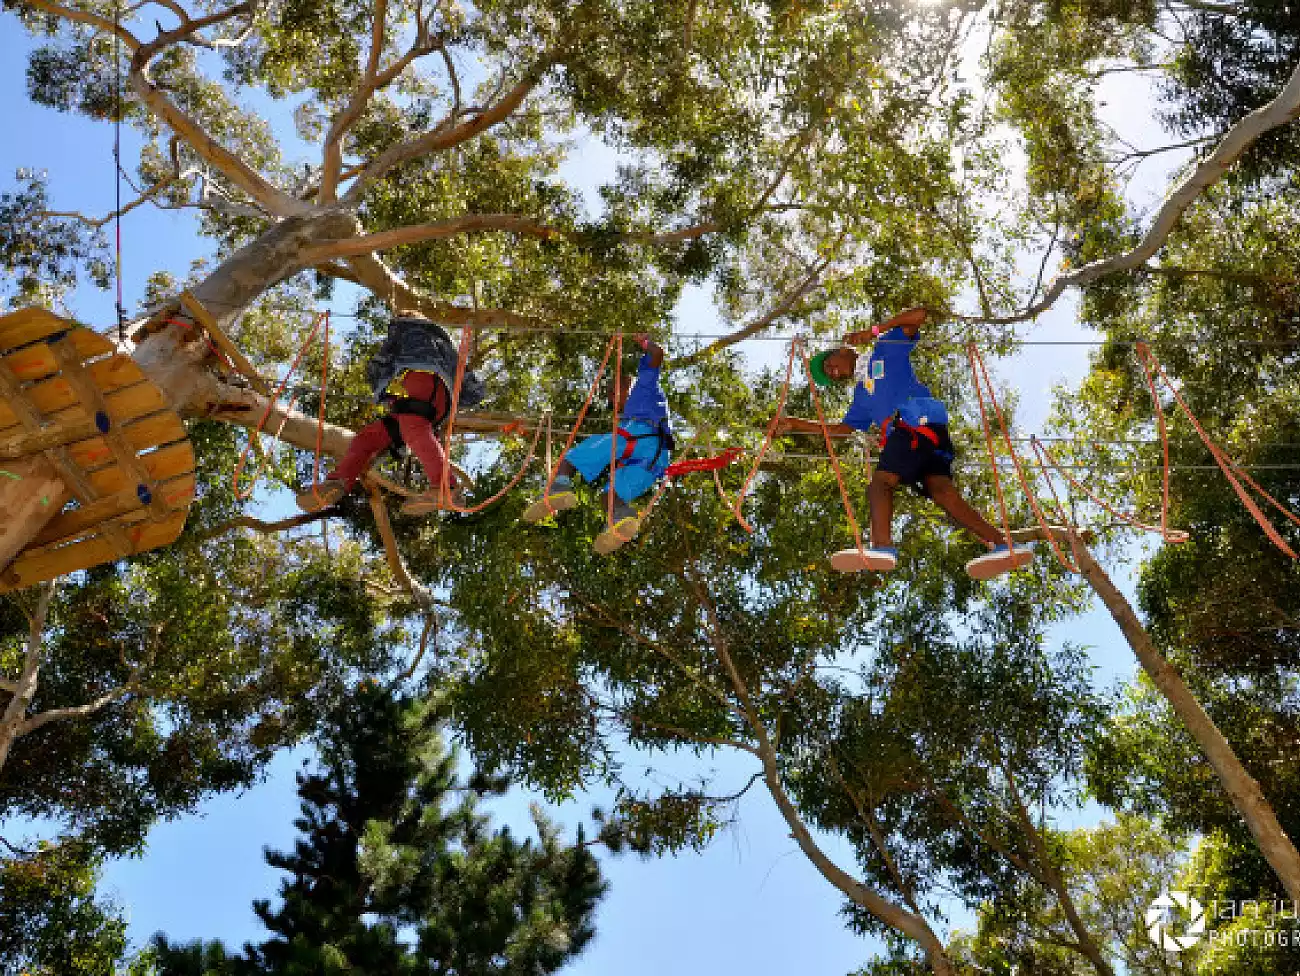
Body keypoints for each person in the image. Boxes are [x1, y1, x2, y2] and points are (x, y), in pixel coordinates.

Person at [776, 306, 1034, 579]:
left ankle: (883, 547)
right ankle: (1004, 544)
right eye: (830, 376)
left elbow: (920, 315)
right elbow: (842, 430)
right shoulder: (862, 397)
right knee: (941, 491)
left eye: (830, 366)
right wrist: (794, 424)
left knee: (881, 484)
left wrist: (873, 331)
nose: (833, 373)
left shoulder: (884, 349)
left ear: (842, 350)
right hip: (928, 433)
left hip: (914, 422)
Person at [297, 310, 486, 516]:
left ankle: (446, 487)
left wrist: (379, 387)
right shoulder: (446, 345)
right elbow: (472, 387)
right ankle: (338, 482)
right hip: (433, 399)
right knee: (367, 439)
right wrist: (459, 398)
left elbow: (383, 360)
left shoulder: (404, 328)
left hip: (420, 381)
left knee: (414, 429)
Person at [522, 333, 674, 554]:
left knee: (583, 450)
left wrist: (645, 343)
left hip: (643, 435)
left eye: (614, 392)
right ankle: (621, 517)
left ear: (628, 384)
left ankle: (560, 485)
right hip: (654, 461)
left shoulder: (643, 388)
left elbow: (657, 354)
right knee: (609, 494)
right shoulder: (626, 416)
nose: (612, 399)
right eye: (610, 396)